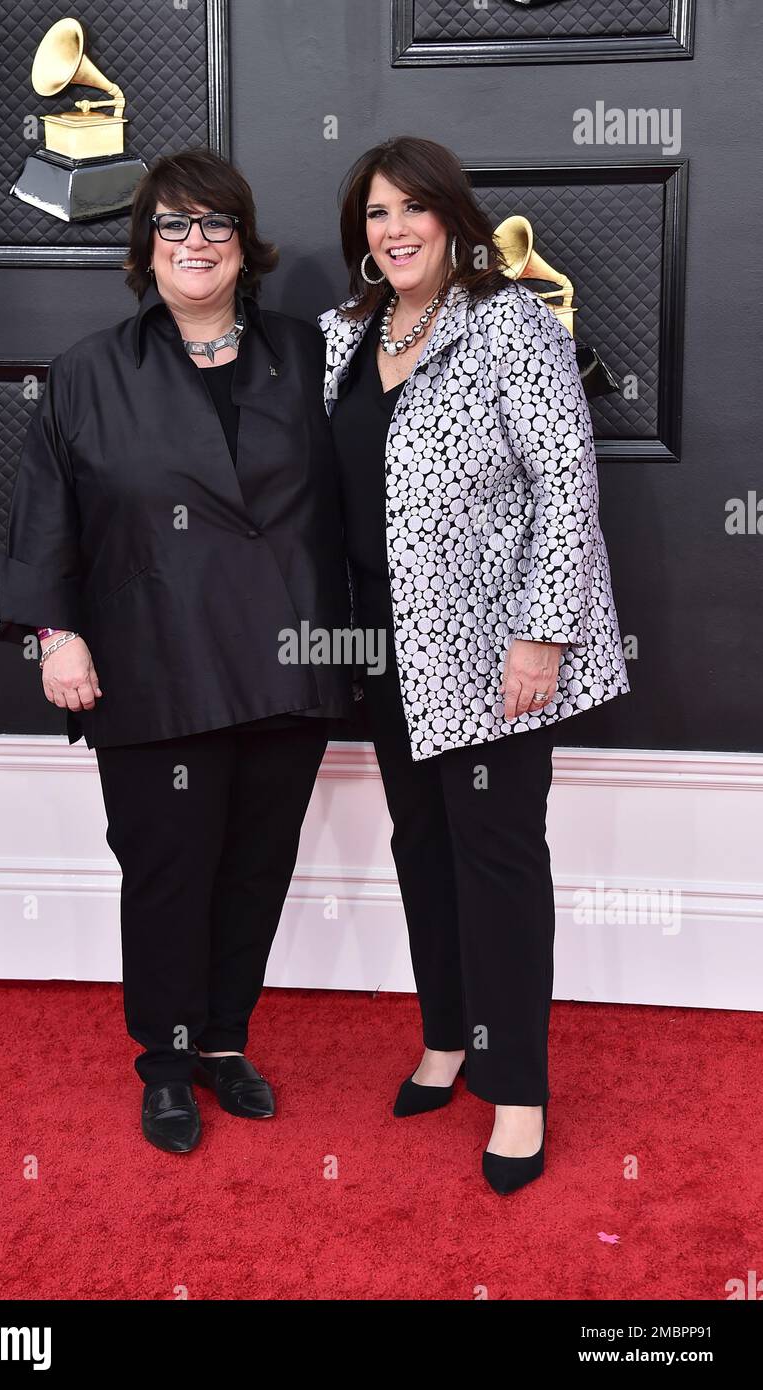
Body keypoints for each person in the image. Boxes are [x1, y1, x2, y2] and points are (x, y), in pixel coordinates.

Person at [0, 148, 352, 1154]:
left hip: (286, 661)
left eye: (215, 225)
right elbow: (46, 515)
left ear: (245, 245)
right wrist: (55, 635)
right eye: (173, 226)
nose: (196, 243)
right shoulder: (89, 372)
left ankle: (226, 1044)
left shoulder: (314, 356)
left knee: (252, 868)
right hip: (149, 665)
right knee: (165, 871)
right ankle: (166, 1062)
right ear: (147, 248)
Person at [319, 136, 630, 1194]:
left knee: (495, 863)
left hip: (493, 654)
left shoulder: (510, 328)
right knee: (420, 844)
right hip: (379, 649)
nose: (394, 229)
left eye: (412, 209)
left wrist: (541, 635)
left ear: (451, 217)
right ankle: (447, 1036)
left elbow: (565, 489)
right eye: (374, 214)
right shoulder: (345, 336)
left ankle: (516, 1088)